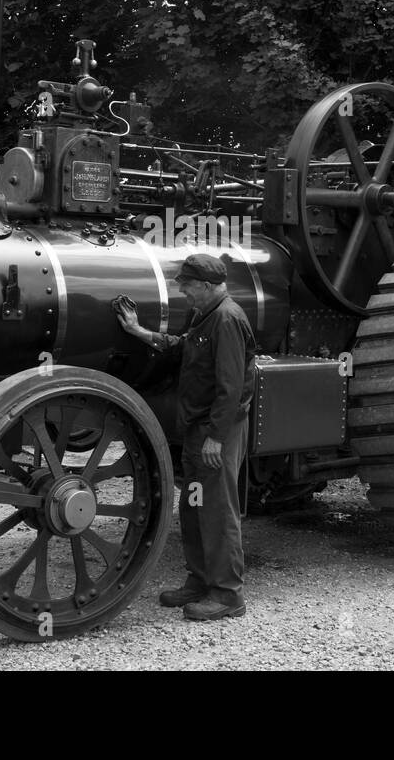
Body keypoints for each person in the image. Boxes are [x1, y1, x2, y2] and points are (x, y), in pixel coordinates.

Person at [115, 253, 256, 621]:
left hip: (215, 432)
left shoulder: (227, 319)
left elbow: (231, 387)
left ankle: (227, 595)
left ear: (207, 286)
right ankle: (199, 580)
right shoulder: (205, 315)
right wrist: (138, 332)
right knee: (193, 507)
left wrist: (215, 438)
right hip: (198, 428)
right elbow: (183, 348)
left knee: (218, 509)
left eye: (187, 285)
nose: (182, 291)